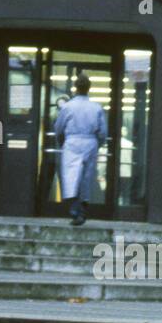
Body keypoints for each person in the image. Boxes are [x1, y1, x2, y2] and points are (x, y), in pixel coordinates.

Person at [54, 73, 106, 226]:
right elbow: (103, 132)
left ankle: (75, 211)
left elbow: (58, 127)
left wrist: (62, 141)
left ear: (75, 88)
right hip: (90, 142)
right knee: (86, 177)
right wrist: (98, 143)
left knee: (71, 177)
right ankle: (83, 209)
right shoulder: (96, 107)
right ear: (89, 88)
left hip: (72, 142)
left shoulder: (67, 107)